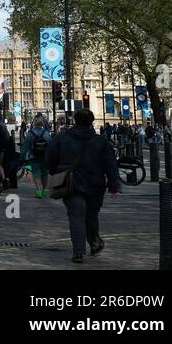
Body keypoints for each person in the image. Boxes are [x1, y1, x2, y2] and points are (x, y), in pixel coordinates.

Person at [47, 109, 123, 263]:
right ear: (92, 122)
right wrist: (114, 185)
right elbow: (110, 165)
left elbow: (50, 158)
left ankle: (78, 252)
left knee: (76, 216)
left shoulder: (62, 138)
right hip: (95, 184)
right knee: (91, 216)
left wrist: (56, 172)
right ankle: (94, 242)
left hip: (70, 181)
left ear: (75, 120)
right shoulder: (100, 141)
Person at [22, 116, 52, 197]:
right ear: (42, 124)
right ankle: (45, 191)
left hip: (33, 156)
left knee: (36, 174)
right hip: (45, 156)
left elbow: (25, 147)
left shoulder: (30, 134)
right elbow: (51, 146)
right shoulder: (46, 133)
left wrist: (22, 156)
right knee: (45, 173)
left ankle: (39, 190)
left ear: (34, 124)